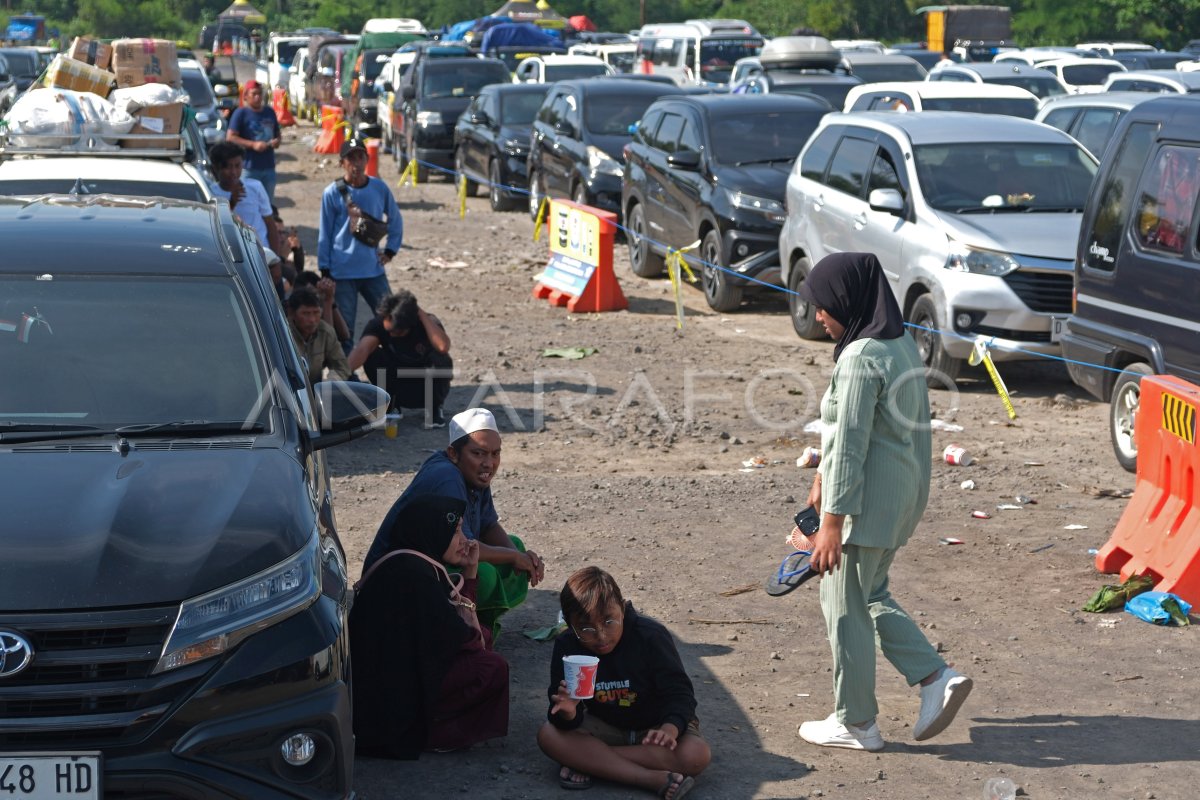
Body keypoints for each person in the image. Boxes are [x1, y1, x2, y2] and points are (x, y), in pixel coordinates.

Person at [792, 252, 973, 752]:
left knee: (843, 607)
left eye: (823, 305)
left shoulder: (859, 357)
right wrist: (822, 481)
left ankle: (856, 723)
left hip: (864, 508)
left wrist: (831, 523)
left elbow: (850, 442)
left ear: (845, 301)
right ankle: (935, 678)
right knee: (869, 595)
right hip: (900, 498)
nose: (819, 316)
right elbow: (866, 435)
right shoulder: (898, 345)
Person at [363, 407, 545, 639]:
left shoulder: (474, 475)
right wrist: (513, 557)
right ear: (453, 453)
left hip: (437, 564)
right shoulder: (446, 478)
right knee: (485, 574)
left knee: (515, 545)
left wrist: (521, 558)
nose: (489, 463)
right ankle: (460, 635)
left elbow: (488, 525)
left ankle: (474, 626)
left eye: (495, 453)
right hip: (397, 584)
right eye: (478, 453)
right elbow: (466, 546)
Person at [350, 495, 509, 758]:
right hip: (385, 707)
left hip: (386, 689)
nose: (463, 539)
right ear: (431, 531)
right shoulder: (413, 575)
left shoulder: (415, 564)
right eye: (454, 531)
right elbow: (466, 640)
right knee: (491, 668)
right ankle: (431, 734)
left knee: (484, 644)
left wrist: (470, 574)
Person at [537, 567, 710, 798]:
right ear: (569, 623)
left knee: (696, 754)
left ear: (623, 607)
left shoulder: (650, 636)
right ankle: (649, 778)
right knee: (548, 735)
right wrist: (568, 713)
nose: (601, 636)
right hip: (604, 725)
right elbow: (560, 714)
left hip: (654, 728)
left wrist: (670, 728)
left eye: (609, 622)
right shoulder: (567, 646)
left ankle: (592, 762)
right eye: (586, 628)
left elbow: (680, 693)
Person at [318, 137, 402, 349]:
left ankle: (395, 368)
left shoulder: (379, 188)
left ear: (367, 159)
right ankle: (345, 376)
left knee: (393, 320)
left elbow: (395, 218)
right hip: (342, 271)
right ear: (341, 163)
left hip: (372, 270)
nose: (356, 163)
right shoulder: (331, 193)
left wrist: (391, 250)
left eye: (360, 157)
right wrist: (325, 268)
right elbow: (325, 232)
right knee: (345, 330)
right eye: (350, 158)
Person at [347, 290, 452, 426]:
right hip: (397, 385)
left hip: (425, 388)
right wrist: (339, 375)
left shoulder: (425, 322)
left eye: (398, 332)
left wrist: (421, 314)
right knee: (372, 355)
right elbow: (362, 350)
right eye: (390, 331)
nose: (393, 334)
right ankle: (390, 405)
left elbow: (443, 347)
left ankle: (434, 409)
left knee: (440, 358)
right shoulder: (378, 324)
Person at [208, 141, 284, 273]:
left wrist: (275, 259)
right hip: (231, 259)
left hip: (261, 255)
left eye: (237, 166)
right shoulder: (210, 193)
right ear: (215, 168)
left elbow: (270, 225)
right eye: (227, 167)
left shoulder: (255, 187)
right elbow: (217, 226)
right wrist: (232, 202)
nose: (233, 172)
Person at [226, 79, 282, 202]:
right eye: (254, 94)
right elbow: (230, 137)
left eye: (259, 94)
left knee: (267, 203)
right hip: (249, 168)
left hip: (268, 167)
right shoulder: (241, 113)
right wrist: (253, 145)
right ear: (246, 96)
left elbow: (277, 133)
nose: (257, 97)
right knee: (248, 202)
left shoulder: (269, 112)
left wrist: (277, 141)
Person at [287, 287, 351, 384]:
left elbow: (342, 368)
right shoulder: (283, 334)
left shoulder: (325, 332)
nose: (312, 320)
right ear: (292, 313)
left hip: (316, 390)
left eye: (316, 312)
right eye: (306, 313)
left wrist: (329, 384)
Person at [293, 271, 351, 344]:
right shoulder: (291, 310)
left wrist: (330, 301)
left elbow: (345, 335)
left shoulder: (321, 303)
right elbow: (328, 341)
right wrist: (327, 302)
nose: (312, 320)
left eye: (314, 295)